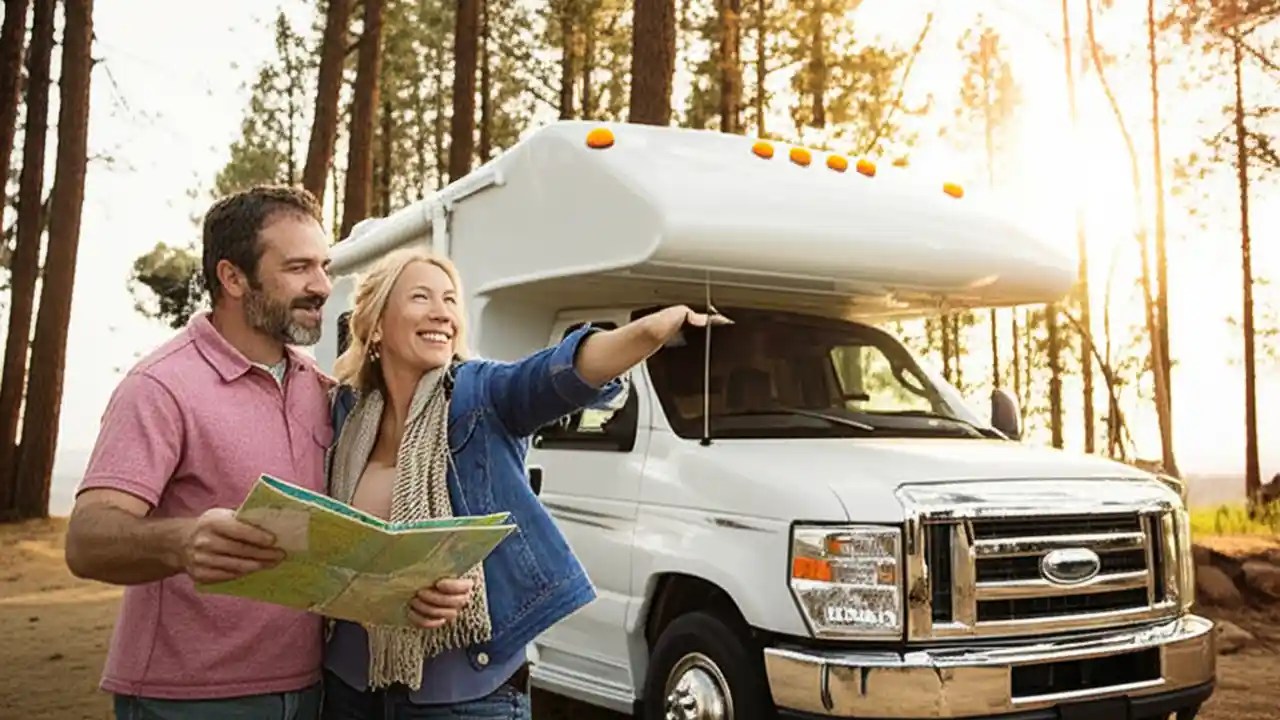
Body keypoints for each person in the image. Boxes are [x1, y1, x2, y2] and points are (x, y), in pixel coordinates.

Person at [62, 186, 470, 720]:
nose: (323, 286)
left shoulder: (324, 392)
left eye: (324, 266)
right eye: (298, 268)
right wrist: (181, 540)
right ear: (233, 278)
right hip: (187, 699)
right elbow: (86, 540)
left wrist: (416, 585)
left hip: (310, 689)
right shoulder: (160, 386)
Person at [320, 247, 725, 719]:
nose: (442, 313)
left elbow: (555, 375)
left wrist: (648, 332)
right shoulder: (346, 414)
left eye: (451, 300)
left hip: (463, 694)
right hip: (348, 686)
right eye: (420, 297)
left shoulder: (479, 393)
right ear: (376, 324)